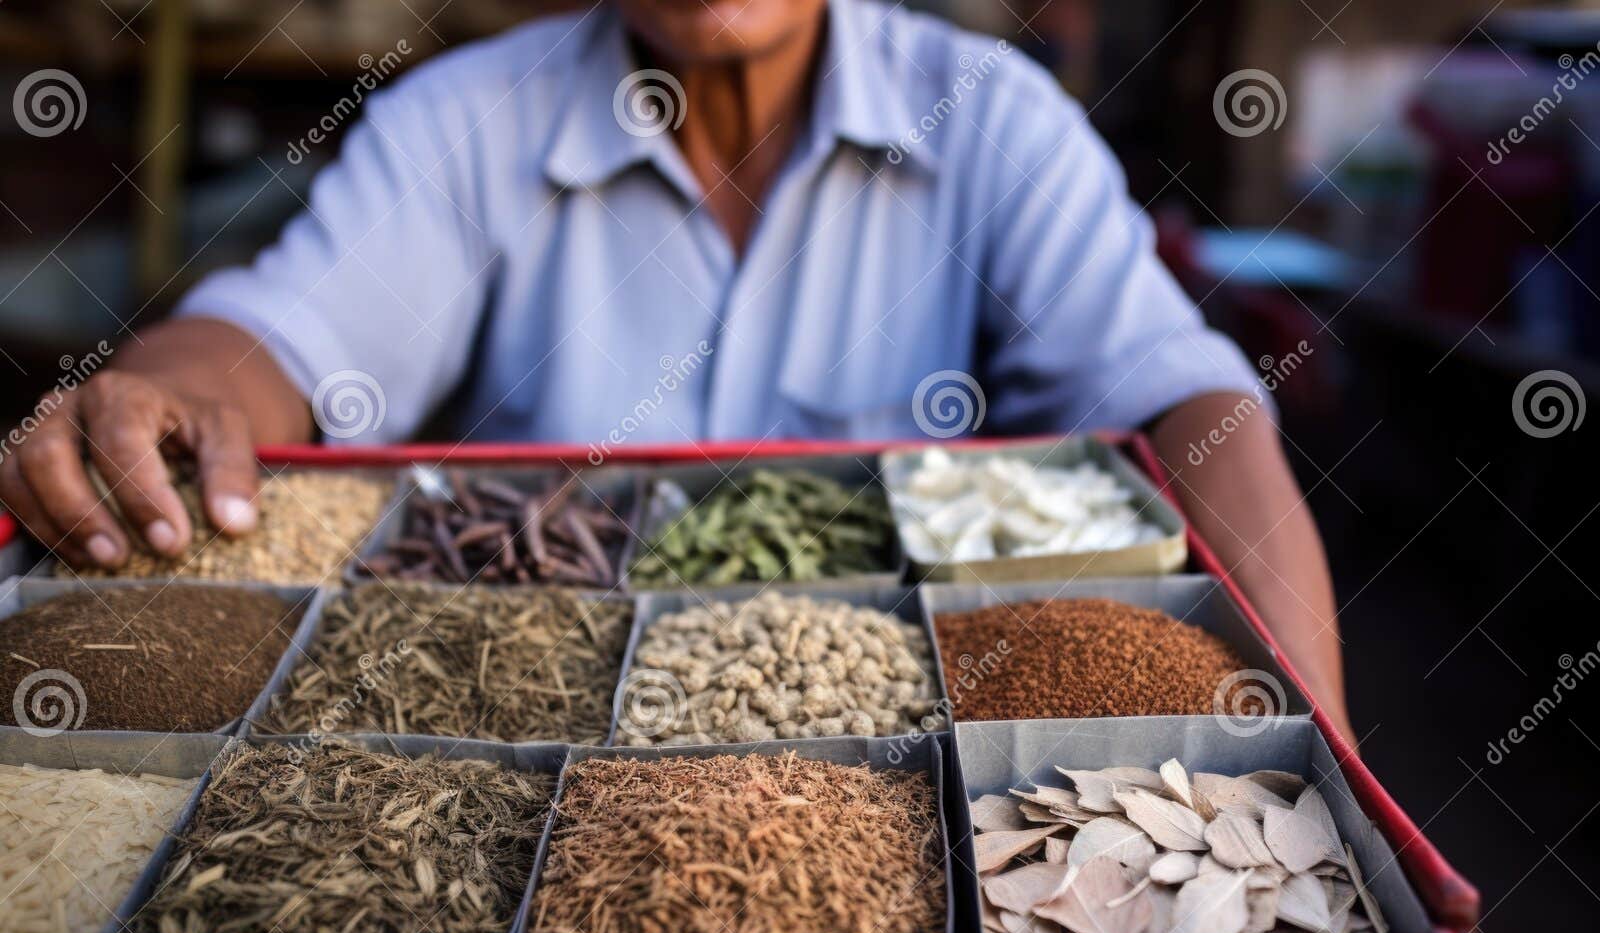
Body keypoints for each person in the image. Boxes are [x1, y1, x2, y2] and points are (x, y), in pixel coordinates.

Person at [0, 0, 1350, 738]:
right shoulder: (466, 121)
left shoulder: (994, 122)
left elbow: (1184, 400)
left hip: (888, 733)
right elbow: (280, 338)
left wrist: (1315, 772)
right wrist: (172, 394)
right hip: (528, 712)